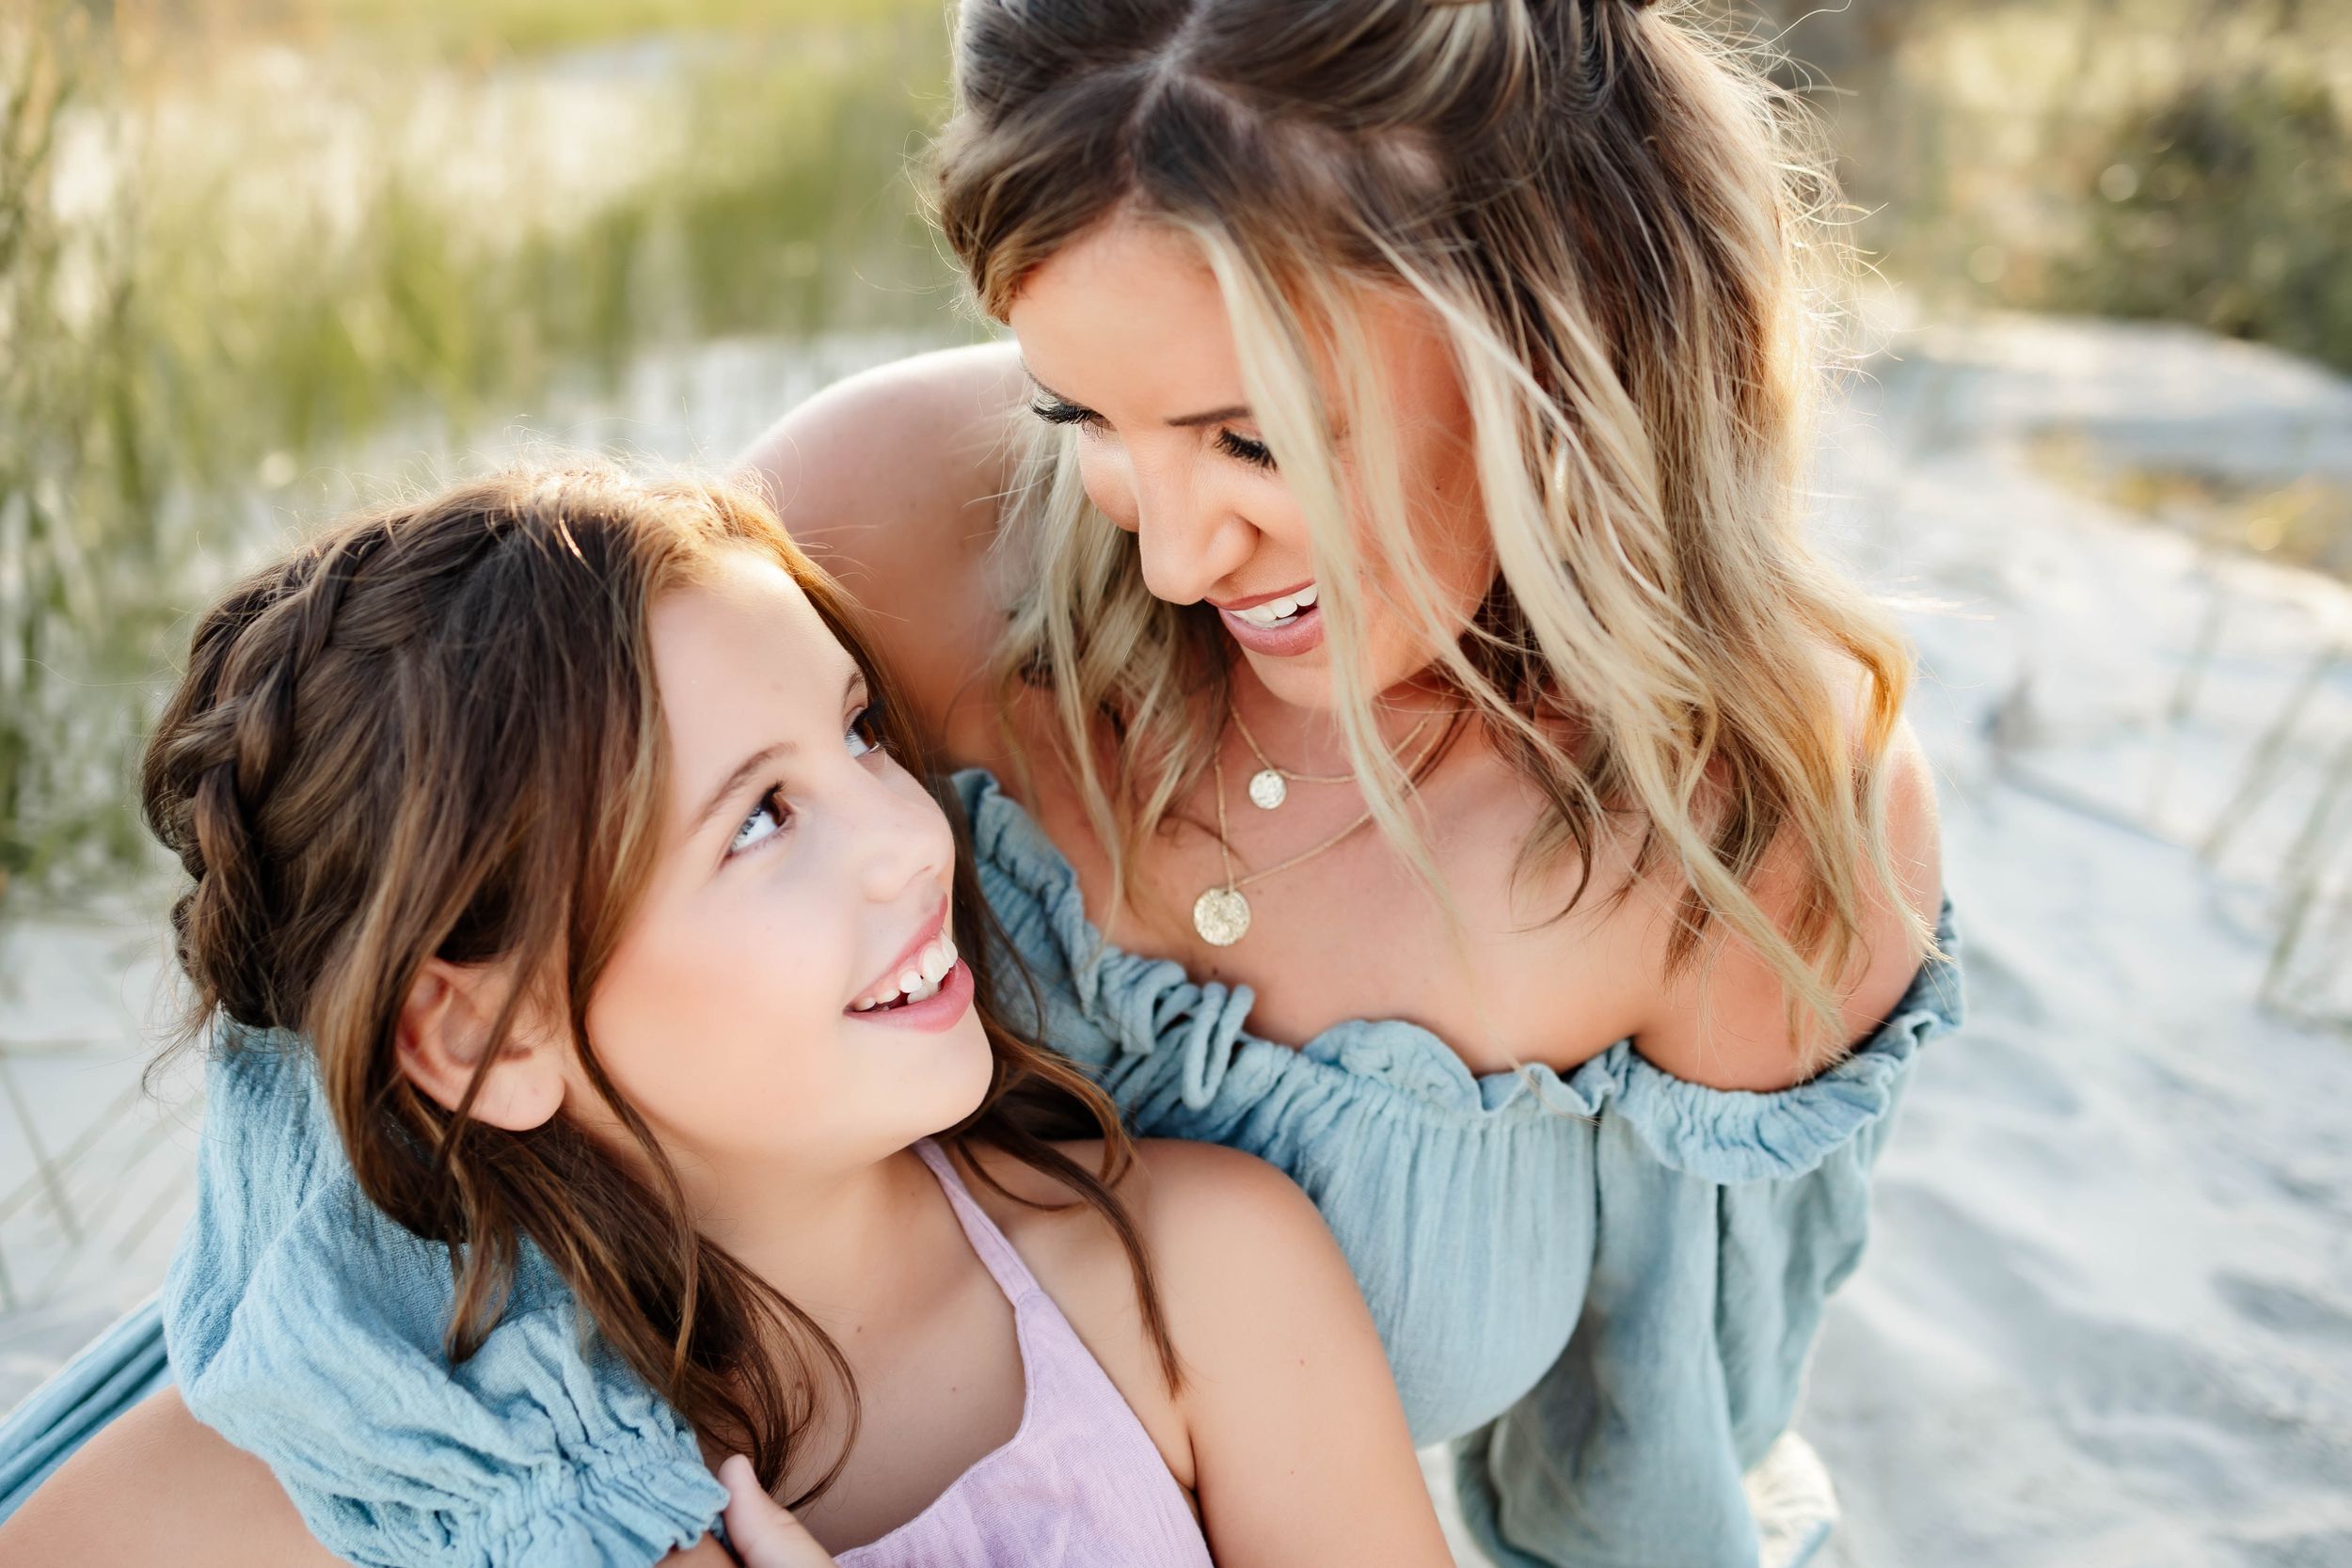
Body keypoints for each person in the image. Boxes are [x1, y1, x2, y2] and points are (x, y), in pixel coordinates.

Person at [0, 1, 1963, 1563]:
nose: (1165, 554)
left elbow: (1658, 1452)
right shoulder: (889, 521)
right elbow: (402, 936)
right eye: (1076, 410)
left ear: (1549, 331)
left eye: (1249, 438)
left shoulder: (1755, 833)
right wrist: (573, 1524)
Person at [0, 468, 1451, 1567]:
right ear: (488, 1039)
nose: (911, 839)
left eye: (860, 733)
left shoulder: (1192, 1289)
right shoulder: (388, 1476)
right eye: (760, 819)